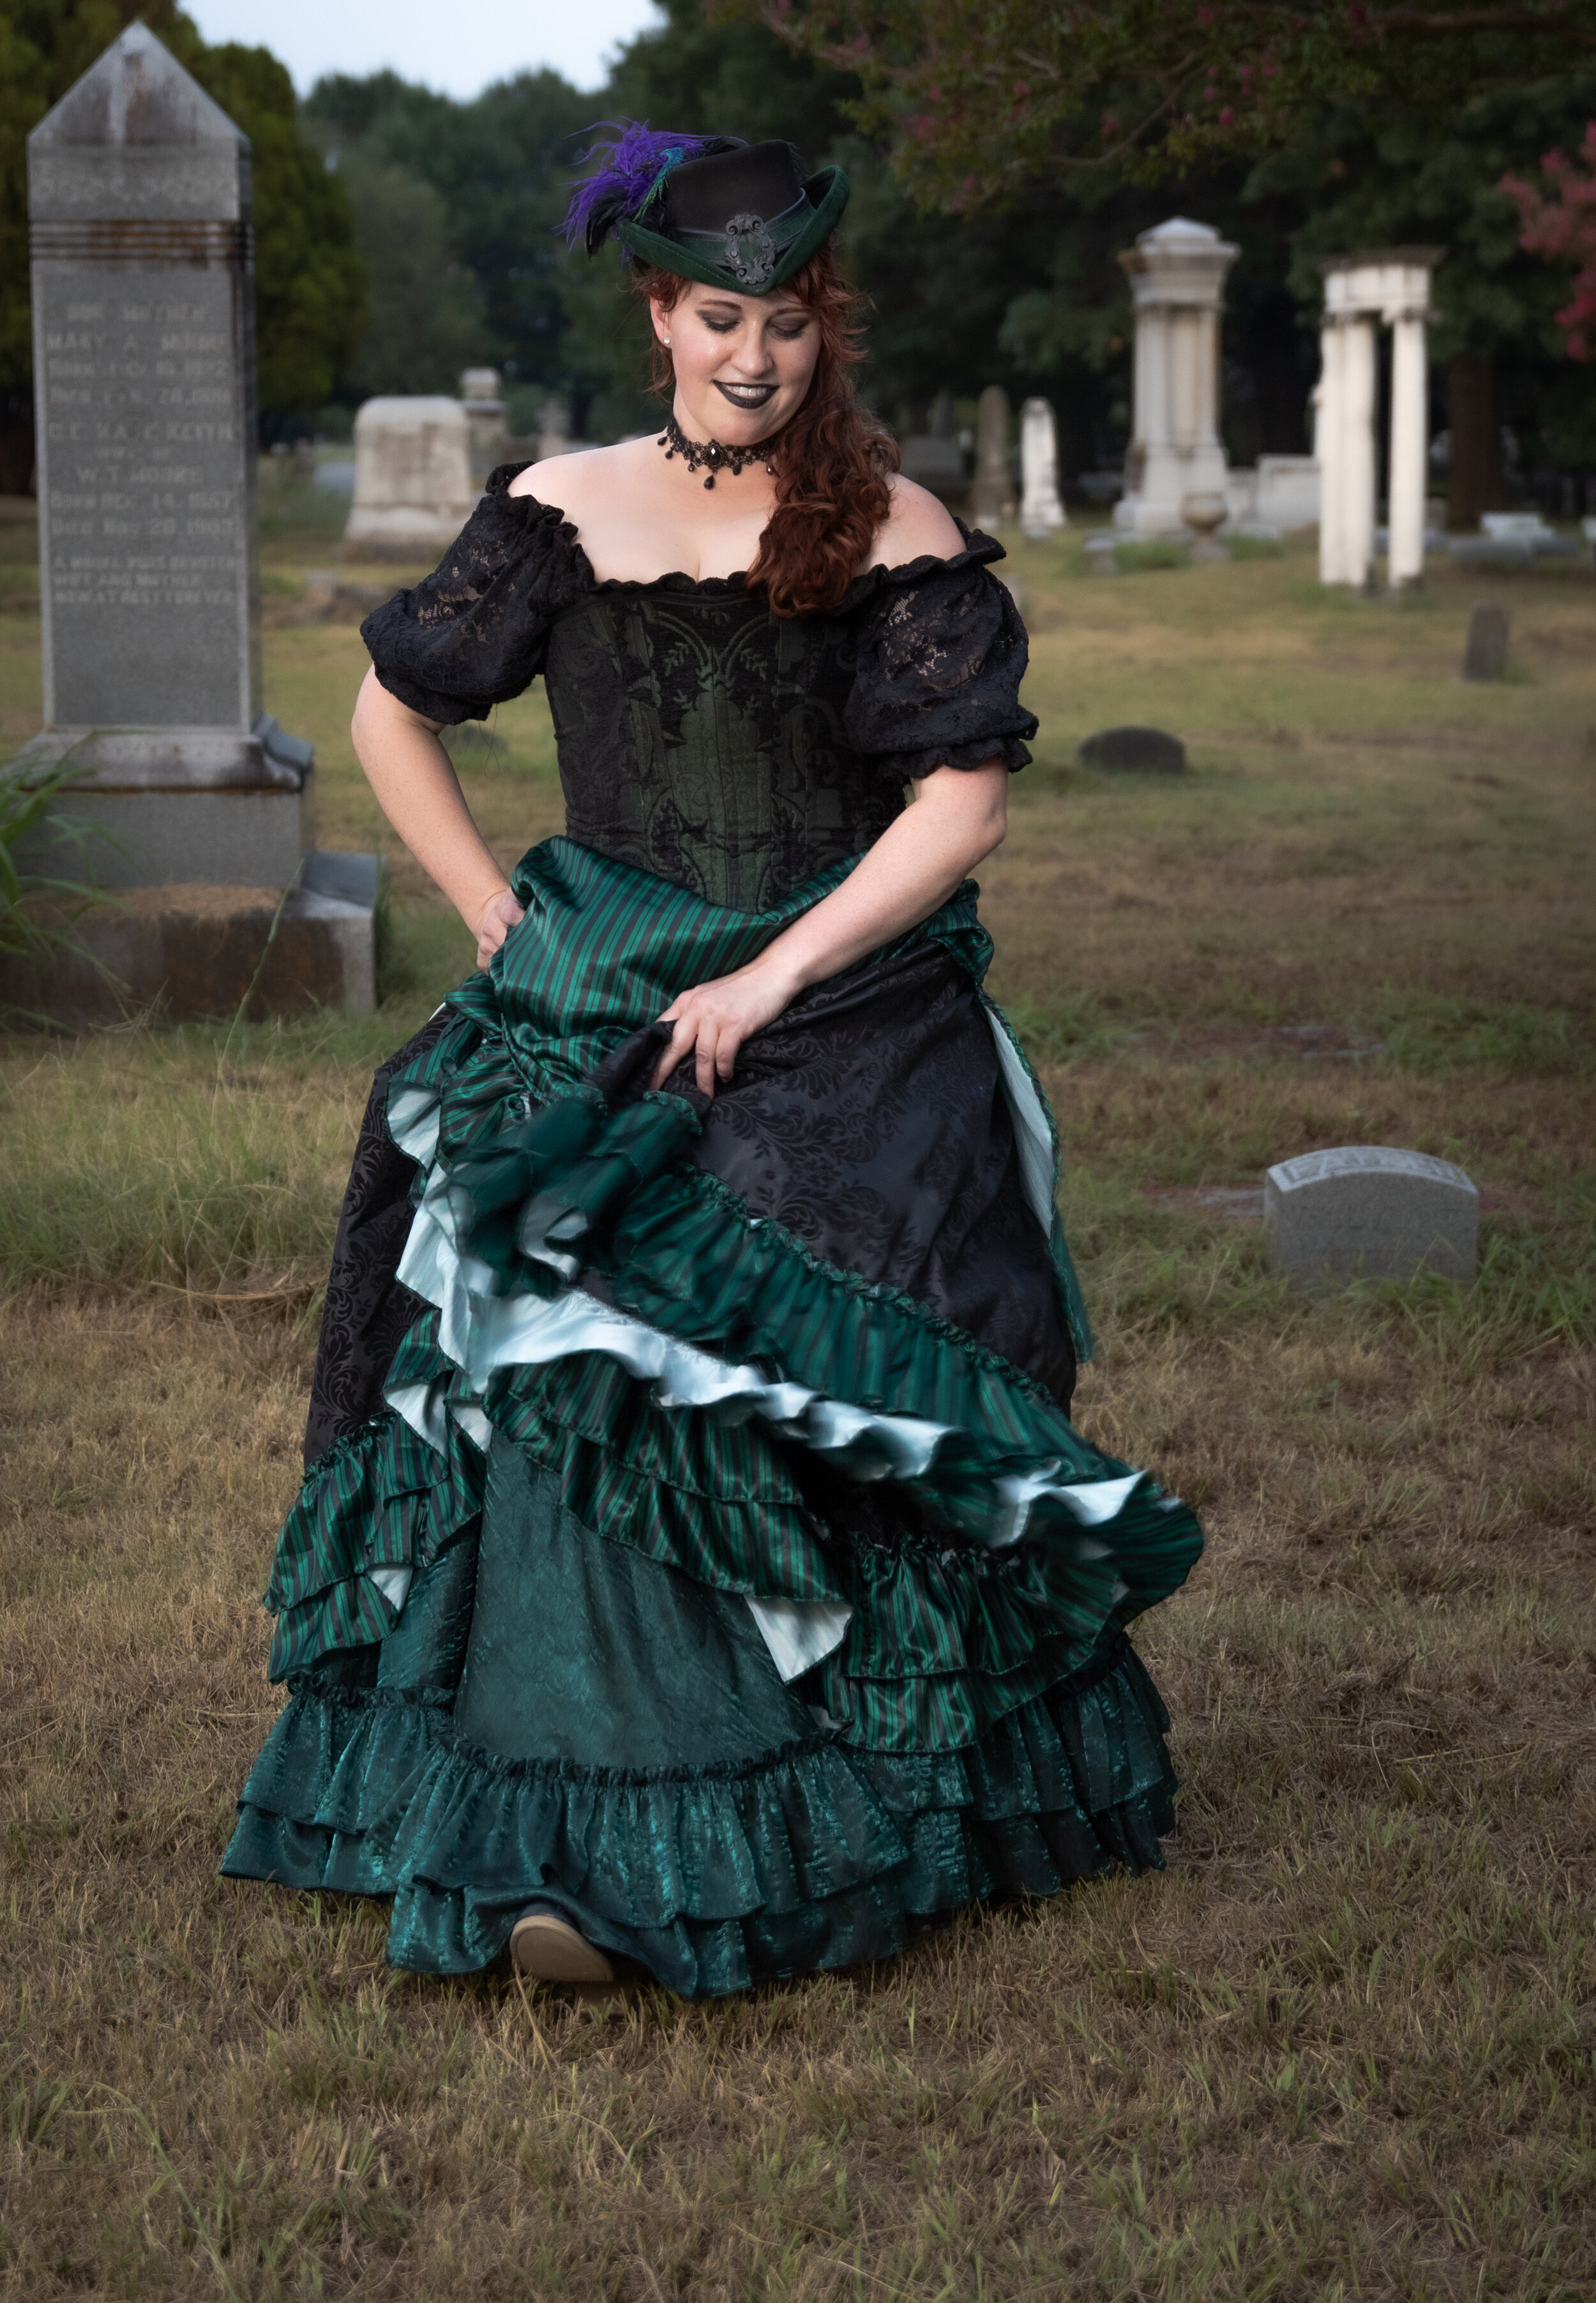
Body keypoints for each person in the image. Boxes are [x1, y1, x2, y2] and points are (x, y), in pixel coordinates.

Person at [223, 130, 1203, 1994]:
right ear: (659, 313)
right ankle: (557, 1806)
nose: (754, 356)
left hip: (846, 988)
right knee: (547, 1300)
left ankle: (837, 1795)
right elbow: (390, 711)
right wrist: (492, 918)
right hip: (594, 974)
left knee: (789, 1238)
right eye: (718, 317)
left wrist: (774, 976)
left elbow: (961, 805)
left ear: (822, 324)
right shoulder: (558, 506)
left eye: (787, 322)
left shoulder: (896, 529)